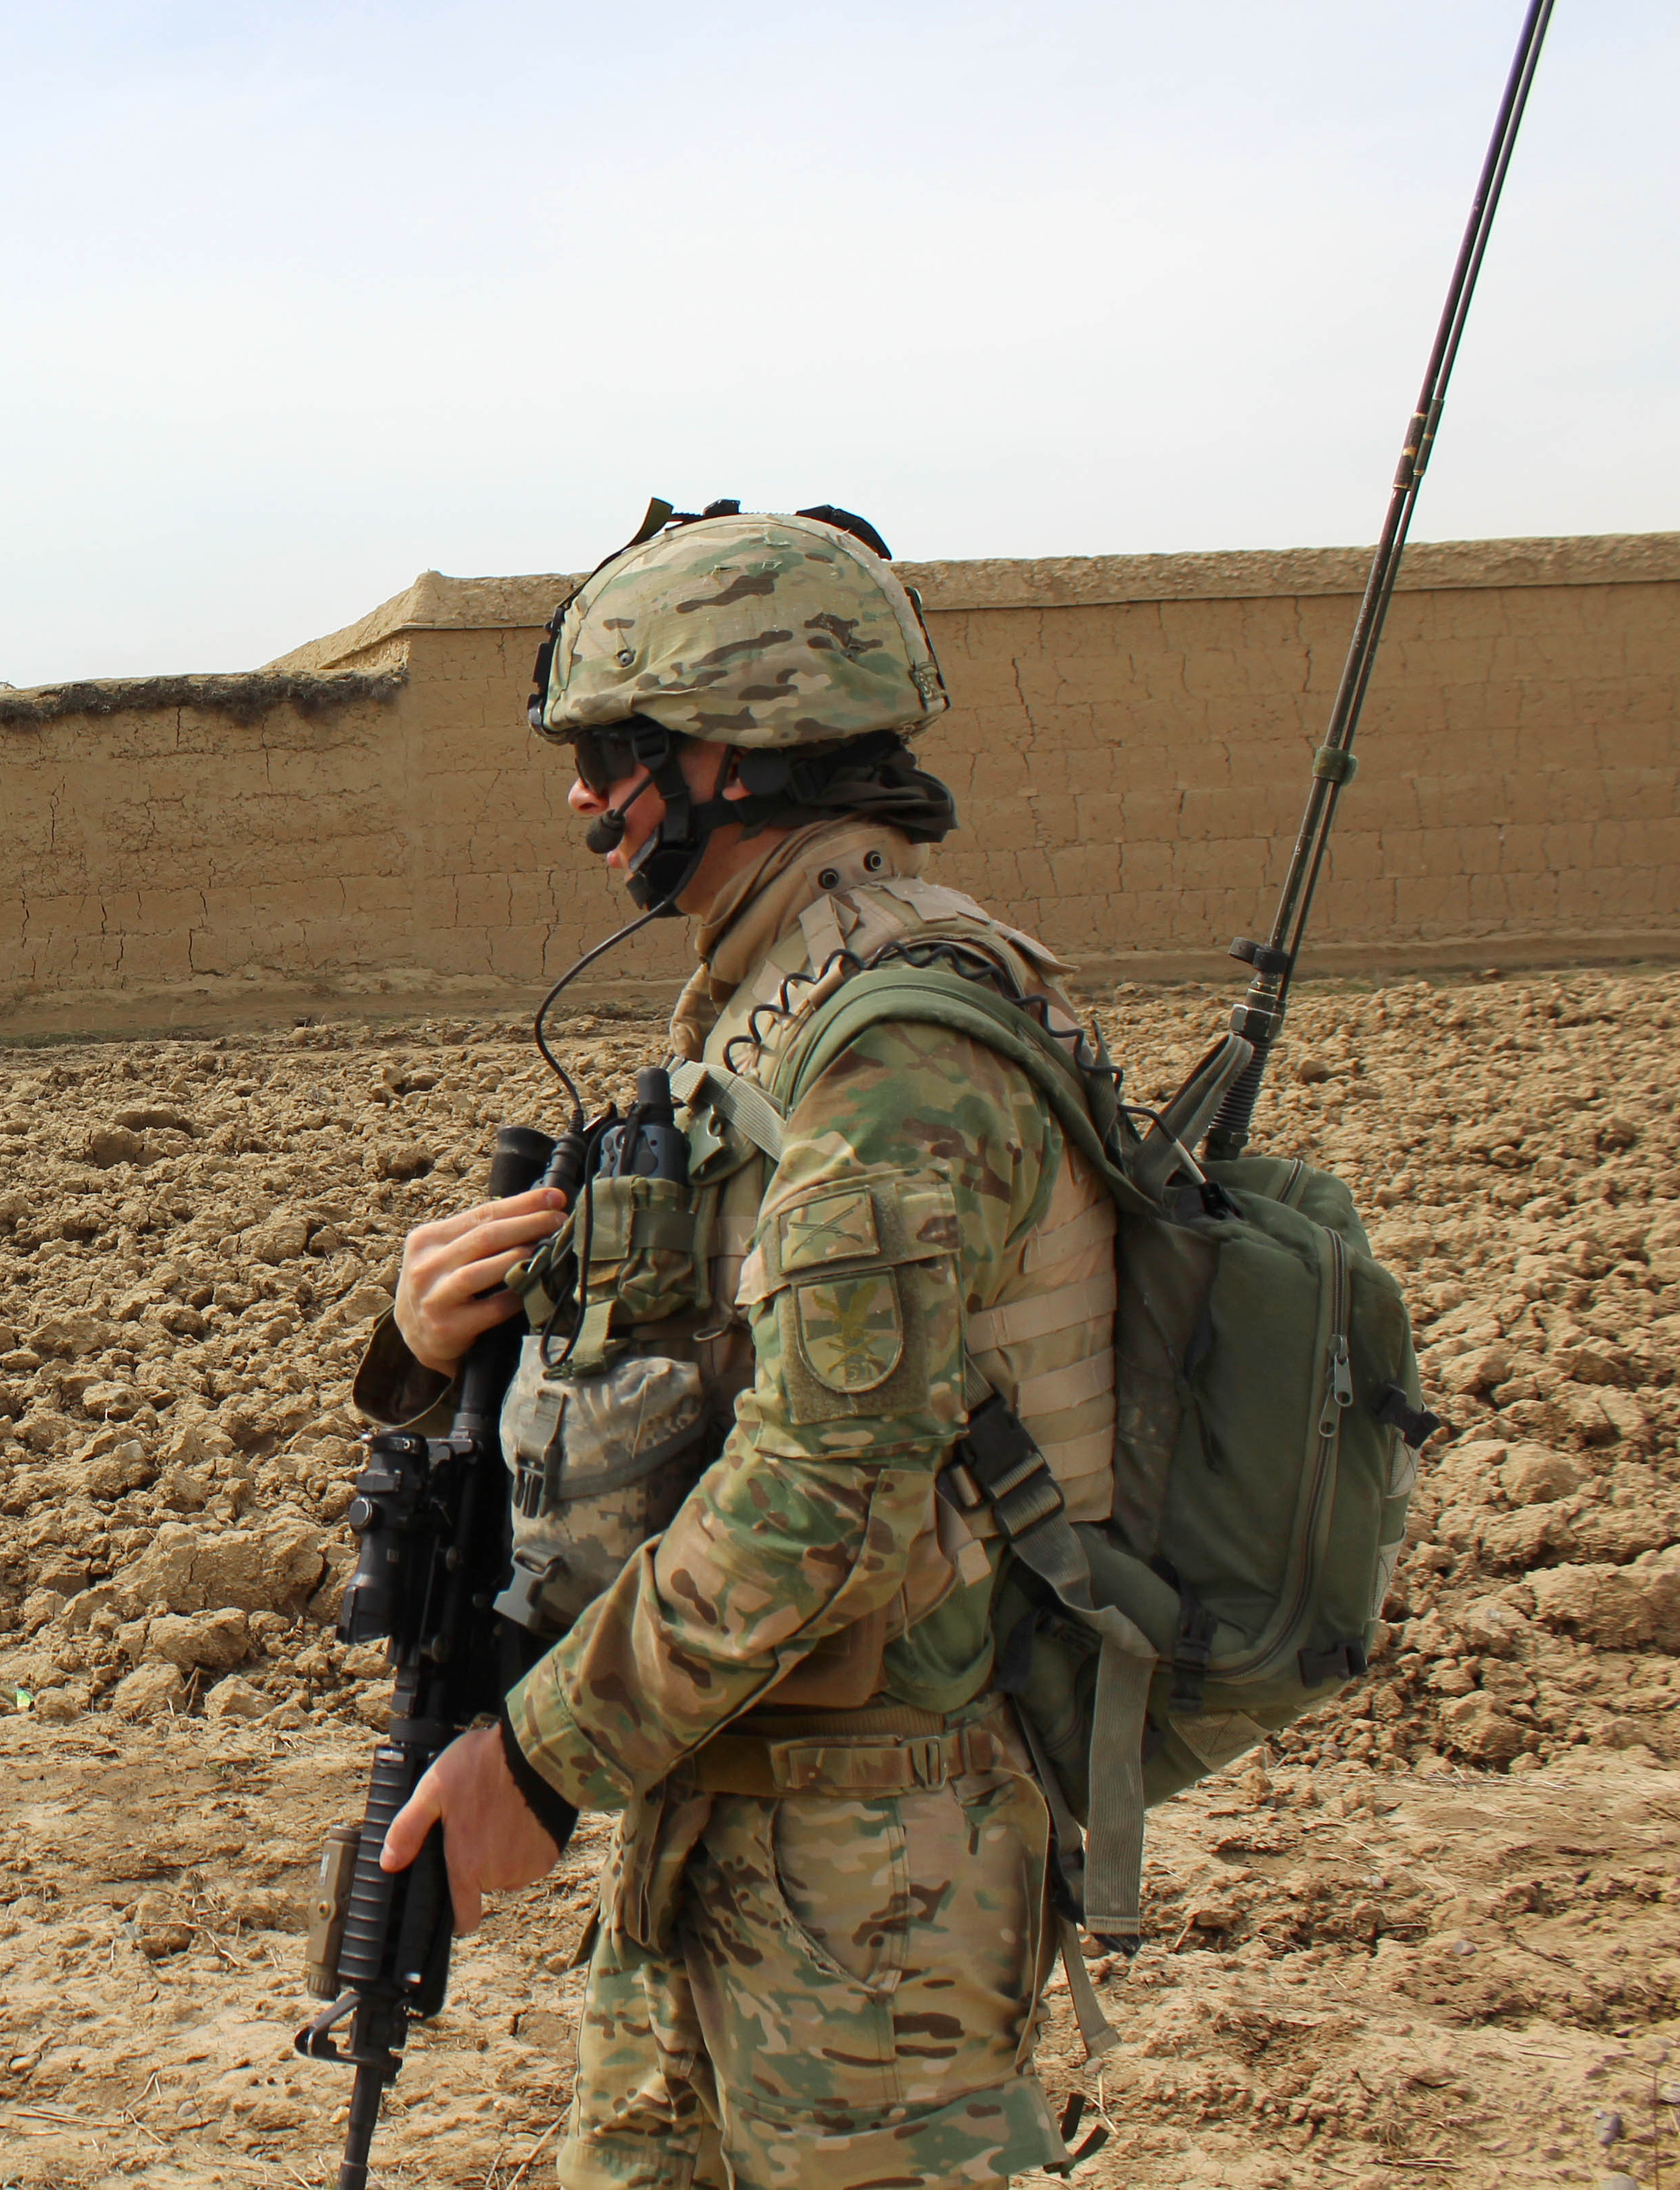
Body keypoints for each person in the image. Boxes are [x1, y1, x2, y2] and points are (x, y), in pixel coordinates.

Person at [352, 503, 1116, 2187]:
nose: (577, 797)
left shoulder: (897, 1046)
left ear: (733, 752)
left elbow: (826, 1486)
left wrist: (540, 1766)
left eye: (610, 752)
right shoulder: (760, 1012)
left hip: (874, 1873)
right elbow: (691, 1387)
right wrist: (423, 1346)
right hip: (718, 1807)